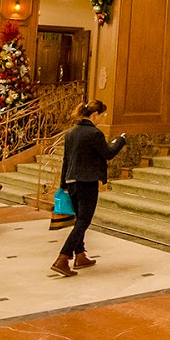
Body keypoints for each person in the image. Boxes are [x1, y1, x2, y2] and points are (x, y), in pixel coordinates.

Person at [52, 99, 125, 276]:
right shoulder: (95, 134)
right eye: (102, 114)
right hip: (87, 182)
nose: (102, 118)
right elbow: (108, 154)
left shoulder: (71, 133)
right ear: (94, 115)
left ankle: (80, 255)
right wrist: (120, 141)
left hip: (72, 181)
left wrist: (64, 183)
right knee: (84, 221)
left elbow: (66, 160)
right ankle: (63, 258)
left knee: (79, 219)